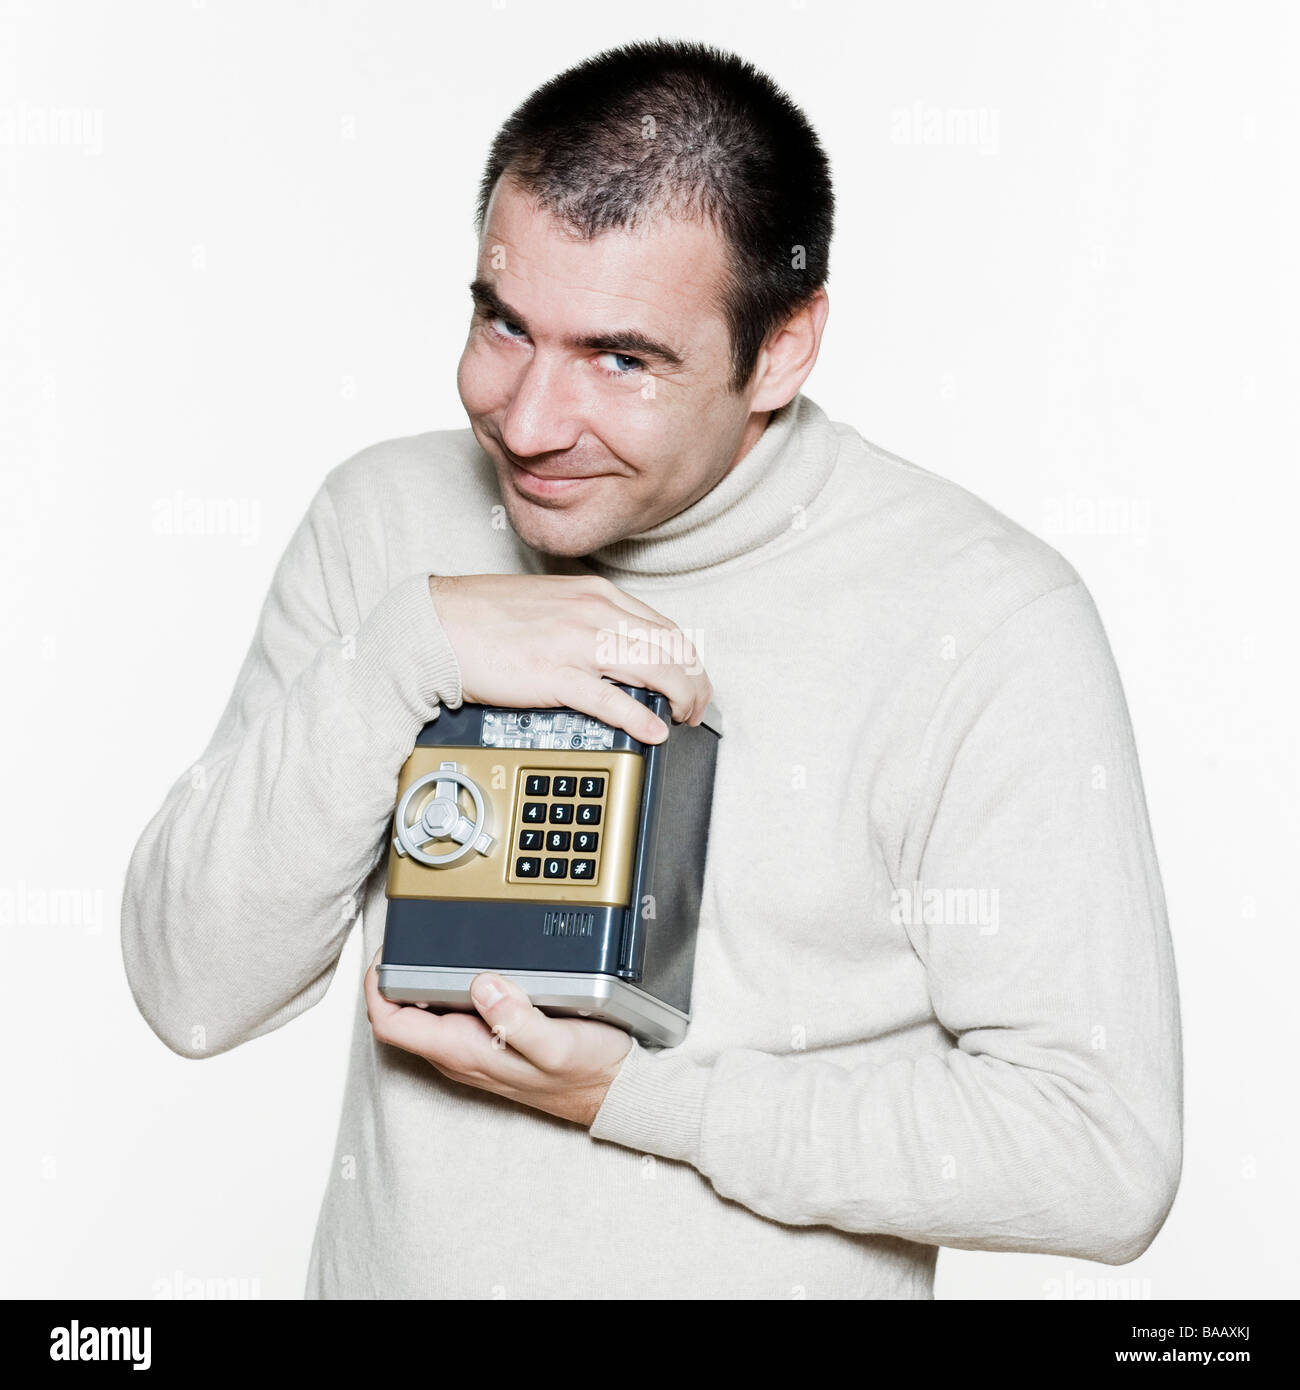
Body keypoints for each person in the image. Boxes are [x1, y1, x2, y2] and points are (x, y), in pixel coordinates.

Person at [121, 39, 1183, 1299]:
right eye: (503, 325)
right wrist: (404, 653)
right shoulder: (385, 525)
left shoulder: (984, 620)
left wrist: (640, 1096)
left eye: (621, 359)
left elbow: (1098, 1150)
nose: (526, 421)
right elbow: (191, 990)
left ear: (781, 350)